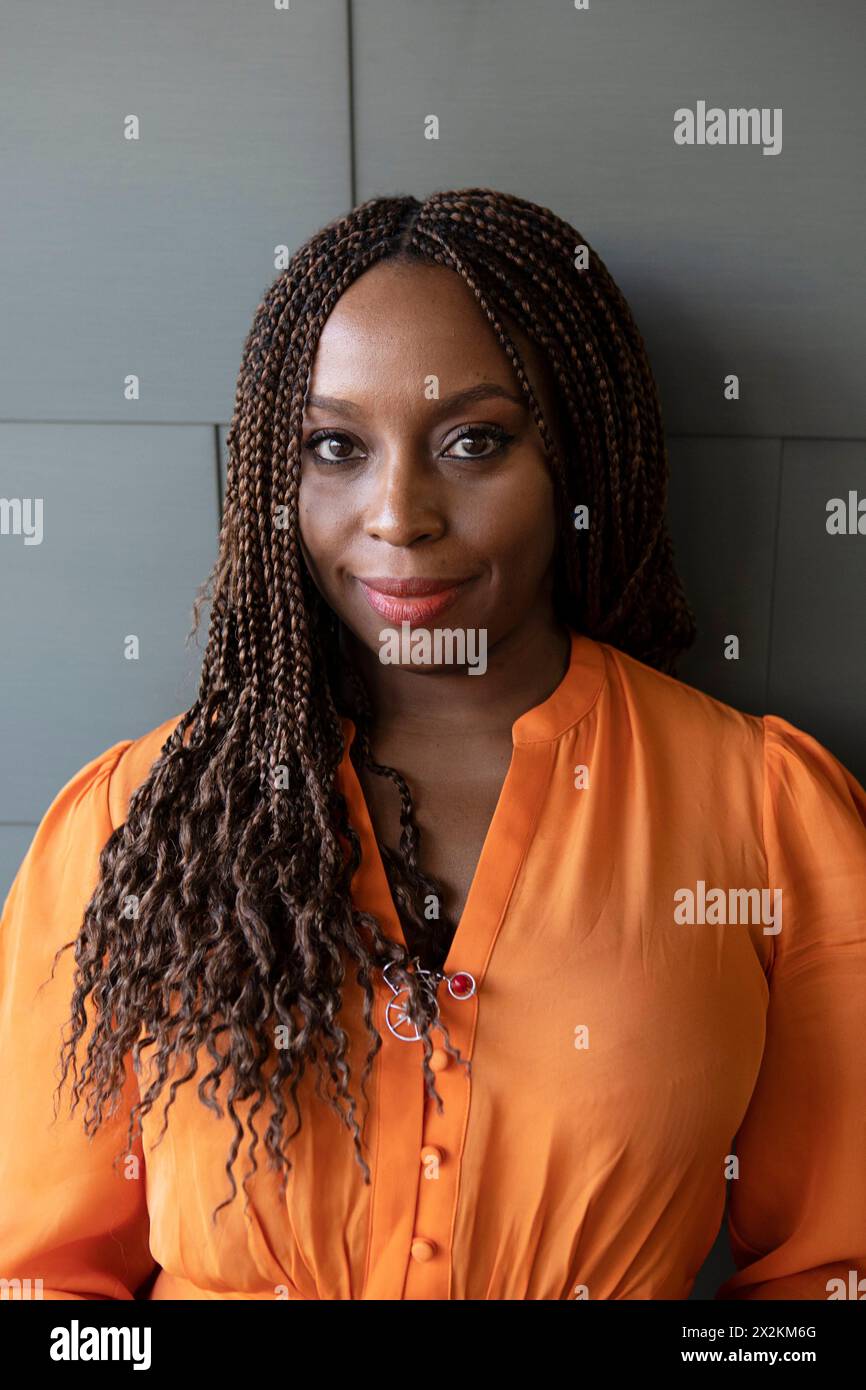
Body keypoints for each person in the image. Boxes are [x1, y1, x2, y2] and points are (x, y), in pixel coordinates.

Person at [1, 188, 864, 1301]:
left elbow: (831, 1279)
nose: (398, 512)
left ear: (576, 464)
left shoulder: (767, 818)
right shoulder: (136, 825)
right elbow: (43, 1294)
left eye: (473, 440)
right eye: (333, 446)